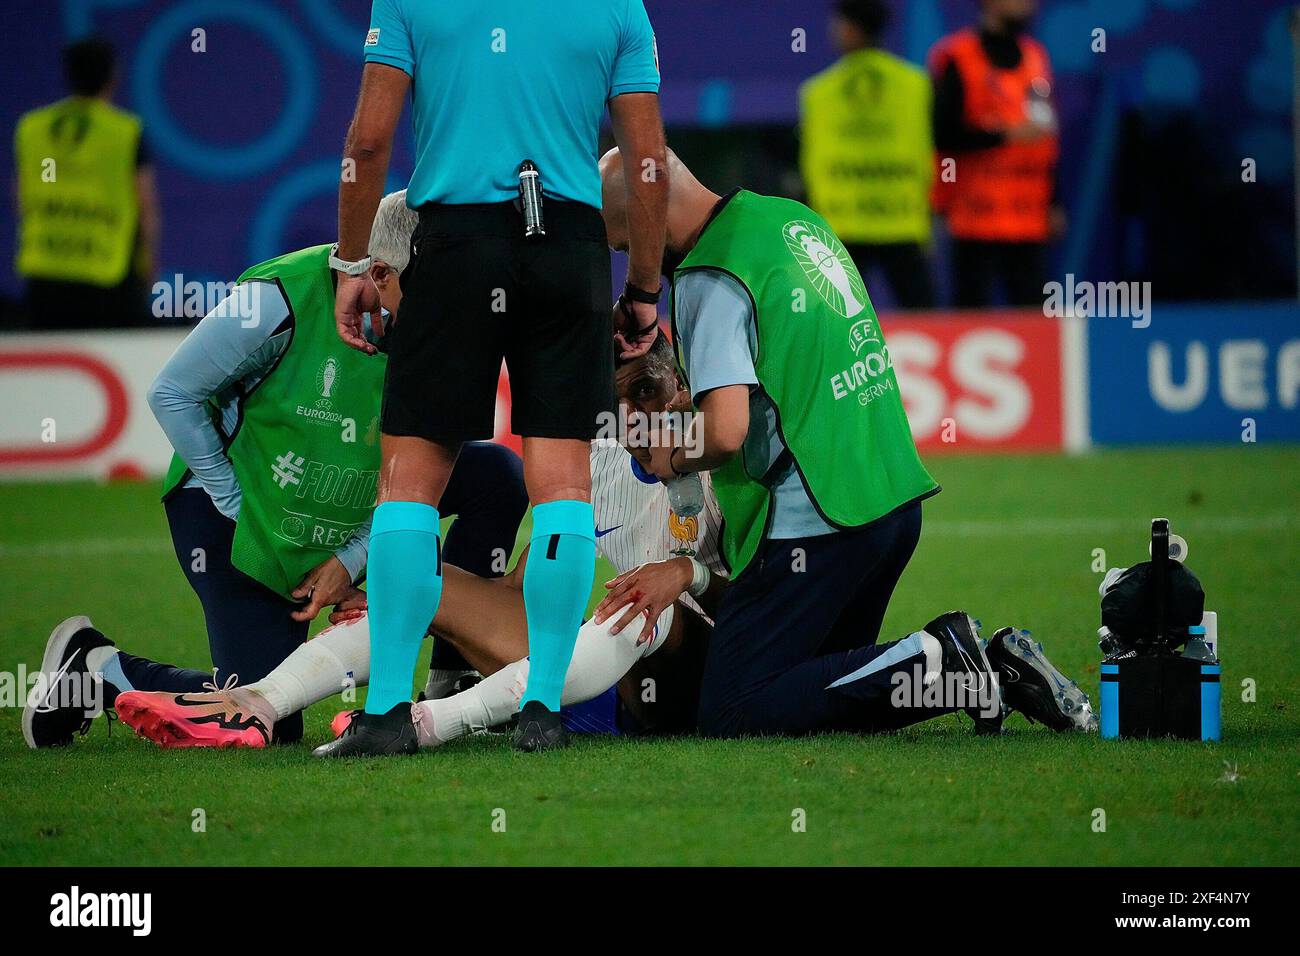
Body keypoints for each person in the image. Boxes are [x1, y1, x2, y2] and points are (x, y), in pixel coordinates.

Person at [110, 339, 1095, 750]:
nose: (639, 393)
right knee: (429, 578)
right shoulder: (566, 426)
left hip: (694, 624)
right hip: (609, 632)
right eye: (619, 371)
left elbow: (748, 532)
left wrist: (692, 565)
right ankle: (261, 696)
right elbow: (453, 480)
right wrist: (364, 563)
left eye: (645, 371)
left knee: (641, 614)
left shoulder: (718, 424)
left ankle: (421, 722)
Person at [21, 193, 528, 749]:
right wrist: (241, 508)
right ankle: (96, 668)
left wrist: (355, 556)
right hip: (233, 509)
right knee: (271, 722)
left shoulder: (443, 319)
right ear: (379, 272)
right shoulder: (276, 299)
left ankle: (448, 681)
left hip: (354, 503)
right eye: (430, 291)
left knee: (497, 475)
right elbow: (173, 393)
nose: (442, 310)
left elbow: (433, 456)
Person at [321, 0, 670, 755]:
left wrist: (352, 261)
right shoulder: (618, 8)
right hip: (568, 248)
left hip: (455, 239)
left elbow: (368, 138)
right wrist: (642, 287)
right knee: (563, 484)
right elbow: (647, 162)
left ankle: (386, 715)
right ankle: (543, 706)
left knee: (410, 483)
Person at [600, 147, 1010, 738]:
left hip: (817, 521)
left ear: (647, 215)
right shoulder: (789, 220)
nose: (633, 265)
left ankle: (942, 656)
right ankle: (988, 666)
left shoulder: (709, 277)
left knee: (732, 713)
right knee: (824, 693)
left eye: (625, 243)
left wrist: (669, 452)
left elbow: (726, 430)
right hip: (891, 501)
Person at [14, 36, 160, 329]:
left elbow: (20, 195)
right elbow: (145, 204)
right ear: (114, 76)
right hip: (107, 272)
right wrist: (147, 265)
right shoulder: (125, 131)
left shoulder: (32, 126)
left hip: (45, 269)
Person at [799, 0, 935, 309]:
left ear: (851, 28)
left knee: (840, 318)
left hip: (841, 225)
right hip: (901, 221)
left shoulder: (818, 91)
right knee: (923, 316)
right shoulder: (916, 84)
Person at [928, 0, 1061, 307]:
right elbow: (944, 135)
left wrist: (1054, 200)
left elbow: (1046, 139)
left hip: (1027, 216)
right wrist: (1003, 135)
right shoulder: (957, 56)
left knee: (1033, 317)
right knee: (972, 313)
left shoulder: (1035, 57)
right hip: (975, 216)